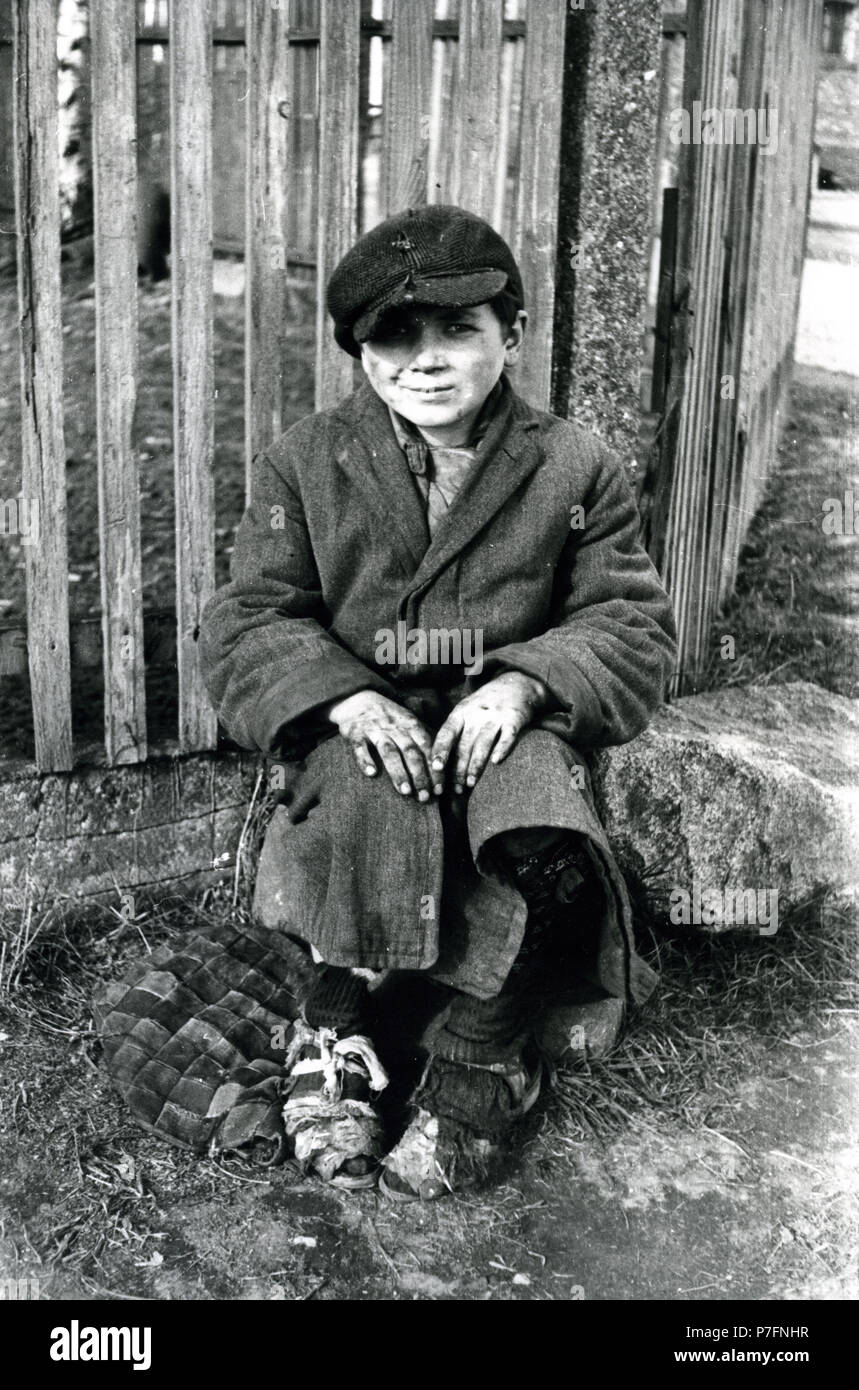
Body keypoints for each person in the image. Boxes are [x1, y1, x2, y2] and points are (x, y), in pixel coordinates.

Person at [198, 204, 676, 1199]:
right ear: (359, 352)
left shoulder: (573, 467)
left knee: (539, 828)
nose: (426, 361)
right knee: (361, 798)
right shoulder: (305, 461)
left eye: (458, 329)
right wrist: (345, 703)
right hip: (361, 714)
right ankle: (332, 1031)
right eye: (394, 336)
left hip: (504, 720)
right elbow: (248, 617)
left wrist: (520, 682)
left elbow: (627, 624)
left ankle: (478, 1057)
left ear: (512, 331)